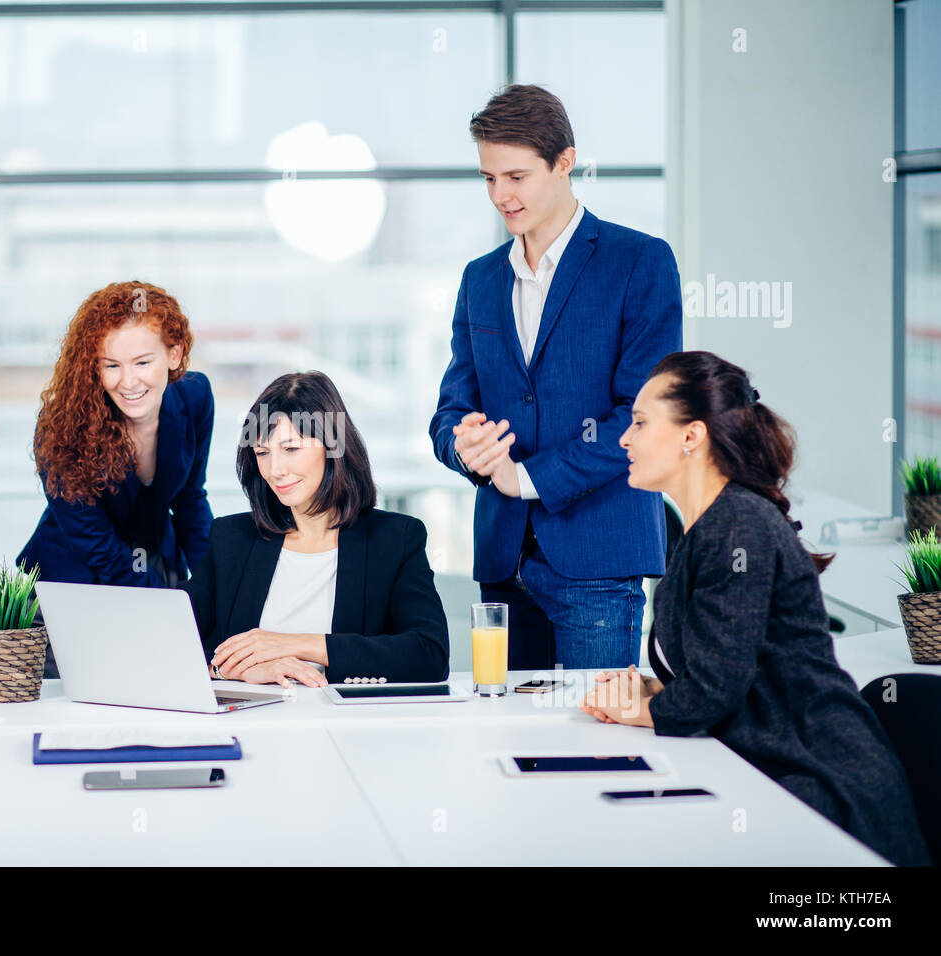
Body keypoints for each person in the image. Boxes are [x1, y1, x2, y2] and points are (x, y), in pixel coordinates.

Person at [580, 350, 930, 868]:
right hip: (765, 768)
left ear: (691, 436)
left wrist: (640, 709)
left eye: (638, 422)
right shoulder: (707, 528)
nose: (624, 439)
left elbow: (714, 690)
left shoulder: (740, 526)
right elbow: (715, 671)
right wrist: (652, 690)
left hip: (820, 788)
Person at [429, 84, 682, 672]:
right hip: (502, 563)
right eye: (489, 178)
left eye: (516, 176)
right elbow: (450, 407)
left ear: (564, 161)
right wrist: (462, 445)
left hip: (597, 558)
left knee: (595, 747)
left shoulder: (639, 262)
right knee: (508, 744)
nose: (501, 195)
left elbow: (641, 416)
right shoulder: (480, 279)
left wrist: (527, 478)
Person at [185, 371, 449, 688]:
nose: (275, 470)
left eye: (291, 449)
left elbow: (429, 655)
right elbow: (169, 645)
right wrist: (229, 670)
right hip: (252, 725)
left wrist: (294, 643)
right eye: (263, 453)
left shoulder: (395, 539)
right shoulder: (231, 538)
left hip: (349, 727)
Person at [18, 282, 213, 677]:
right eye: (111, 365)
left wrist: (214, 591)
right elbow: (100, 550)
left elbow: (191, 500)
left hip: (157, 572)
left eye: (143, 362)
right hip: (74, 591)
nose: (128, 382)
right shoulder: (62, 425)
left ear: (174, 355)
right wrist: (176, 611)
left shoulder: (195, 397)